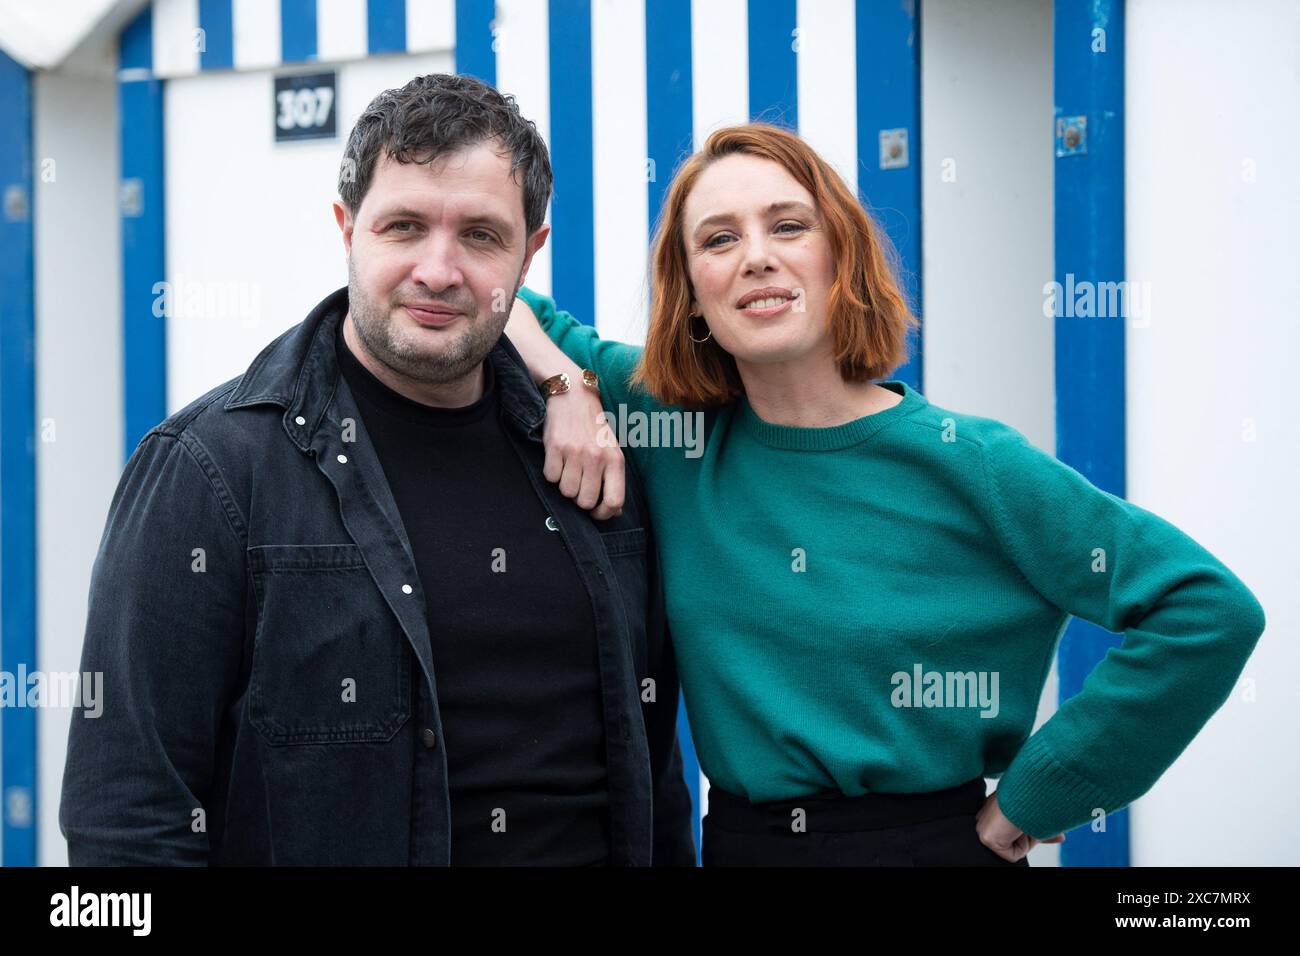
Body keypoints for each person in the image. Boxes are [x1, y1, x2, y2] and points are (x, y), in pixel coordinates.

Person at [503, 122, 1268, 866]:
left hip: (931, 844)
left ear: (841, 258)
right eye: (719, 239)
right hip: (744, 845)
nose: (757, 258)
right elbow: (499, 294)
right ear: (693, 295)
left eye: (788, 226)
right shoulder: (673, 429)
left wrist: (1041, 794)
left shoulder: (973, 464)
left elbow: (1206, 612)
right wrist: (564, 385)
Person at [59, 73, 695, 866]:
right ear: (347, 228)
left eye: (481, 236)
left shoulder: (591, 461)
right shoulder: (209, 472)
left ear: (529, 255)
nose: (439, 269)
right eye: (403, 227)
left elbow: (656, 786)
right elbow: (126, 815)